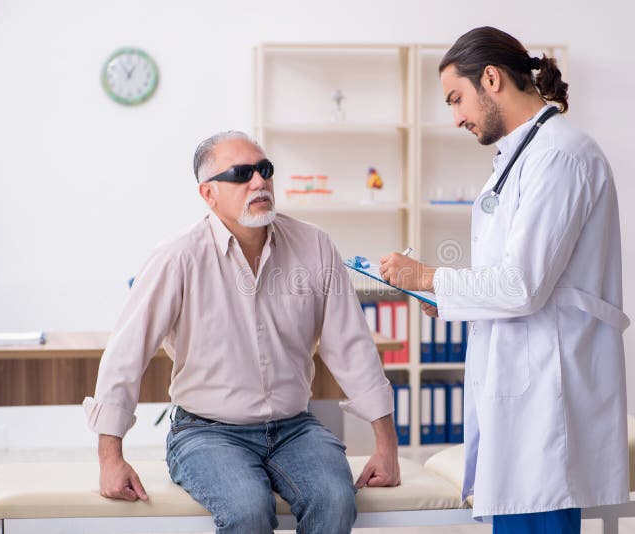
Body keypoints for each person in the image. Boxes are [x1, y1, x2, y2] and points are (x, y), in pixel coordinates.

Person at [84, 131, 401, 534]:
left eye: (265, 169)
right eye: (241, 174)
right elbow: (125, 354)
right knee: (248, 510)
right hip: (206, 433)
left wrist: (386, 446)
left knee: (335, 501)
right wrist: (110, 457)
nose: (259, 182)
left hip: (295, 428)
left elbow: (354, 349)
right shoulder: (177, 257)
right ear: (208, 193)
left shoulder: (315, 246)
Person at [380, 27, 629, 533]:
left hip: (550, 388)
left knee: (539, 511)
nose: (456, 118)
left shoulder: (559, 155)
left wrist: (427, 275)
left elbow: (521, 286)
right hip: (524, 379)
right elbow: (515, 277)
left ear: (491, 79)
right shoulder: (522, 156)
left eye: (456, 98)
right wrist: (446, 296)